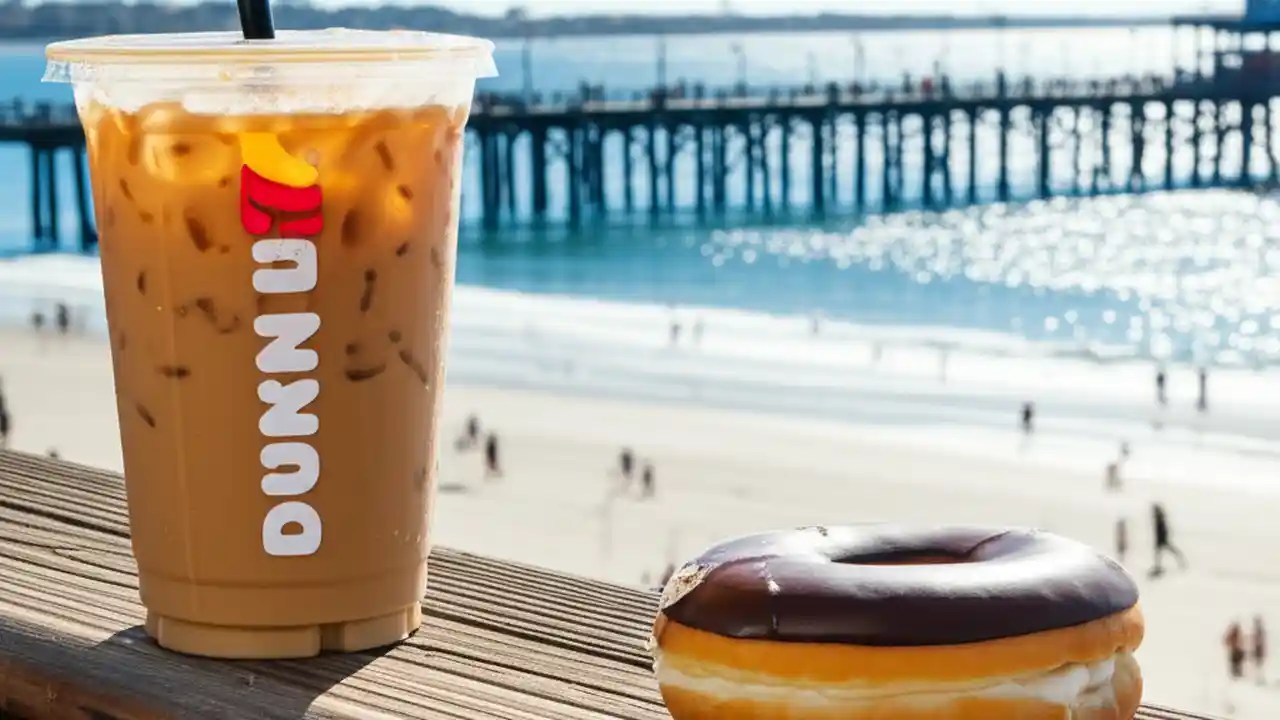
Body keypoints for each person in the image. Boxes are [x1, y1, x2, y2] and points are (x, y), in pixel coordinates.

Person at [1149, 503, 1188, 577]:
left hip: (1162, 539)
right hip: (1160, 539)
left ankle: (1181, 562)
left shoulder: (1160, 518)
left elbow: (1162, 530)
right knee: (1159, 554)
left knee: (1167, 552)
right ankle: (1158, 566)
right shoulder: (1158, 518)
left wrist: (1163, 538)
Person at [1254, 616, 1267, 684]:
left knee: (1259, 665)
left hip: (1259, 651)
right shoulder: (1258, 630)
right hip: (1258, 651)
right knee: (1258, 665)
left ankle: (1260, 678)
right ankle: (1259, 678)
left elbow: (1260, 641)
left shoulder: (1259, 630)